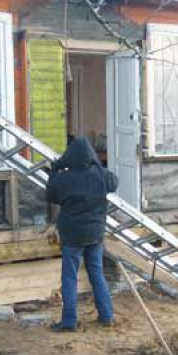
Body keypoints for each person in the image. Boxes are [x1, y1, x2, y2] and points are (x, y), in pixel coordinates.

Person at [45, 137, 118, 332]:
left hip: (72, 236)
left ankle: (69, 321)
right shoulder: (101, 176)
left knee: (70, 277)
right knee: (96, 274)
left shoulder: (64, 179)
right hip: (95, 234)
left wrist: (55, 169)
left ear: (70, 156)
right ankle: (107, 315)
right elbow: (114, 183)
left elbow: (51, 195)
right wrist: (97, 165)